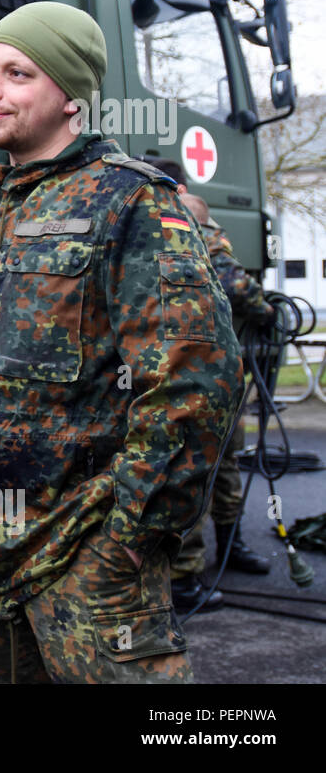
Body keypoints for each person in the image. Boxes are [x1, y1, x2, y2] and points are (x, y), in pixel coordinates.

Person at [0, 1, 243, 683]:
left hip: (84, 567)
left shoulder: (131, 204)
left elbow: (196, 384)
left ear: (71, 97)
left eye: (18, 73)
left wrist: (126, 539)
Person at [145, 157, 274, 609]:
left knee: (200, 466)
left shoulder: (136, 218)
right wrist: (267, 311)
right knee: (201, 468)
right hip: (202, 375)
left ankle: (205, 563)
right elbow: (237, 286)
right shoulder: (186, 224)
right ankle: (185, 579)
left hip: (173, 374)